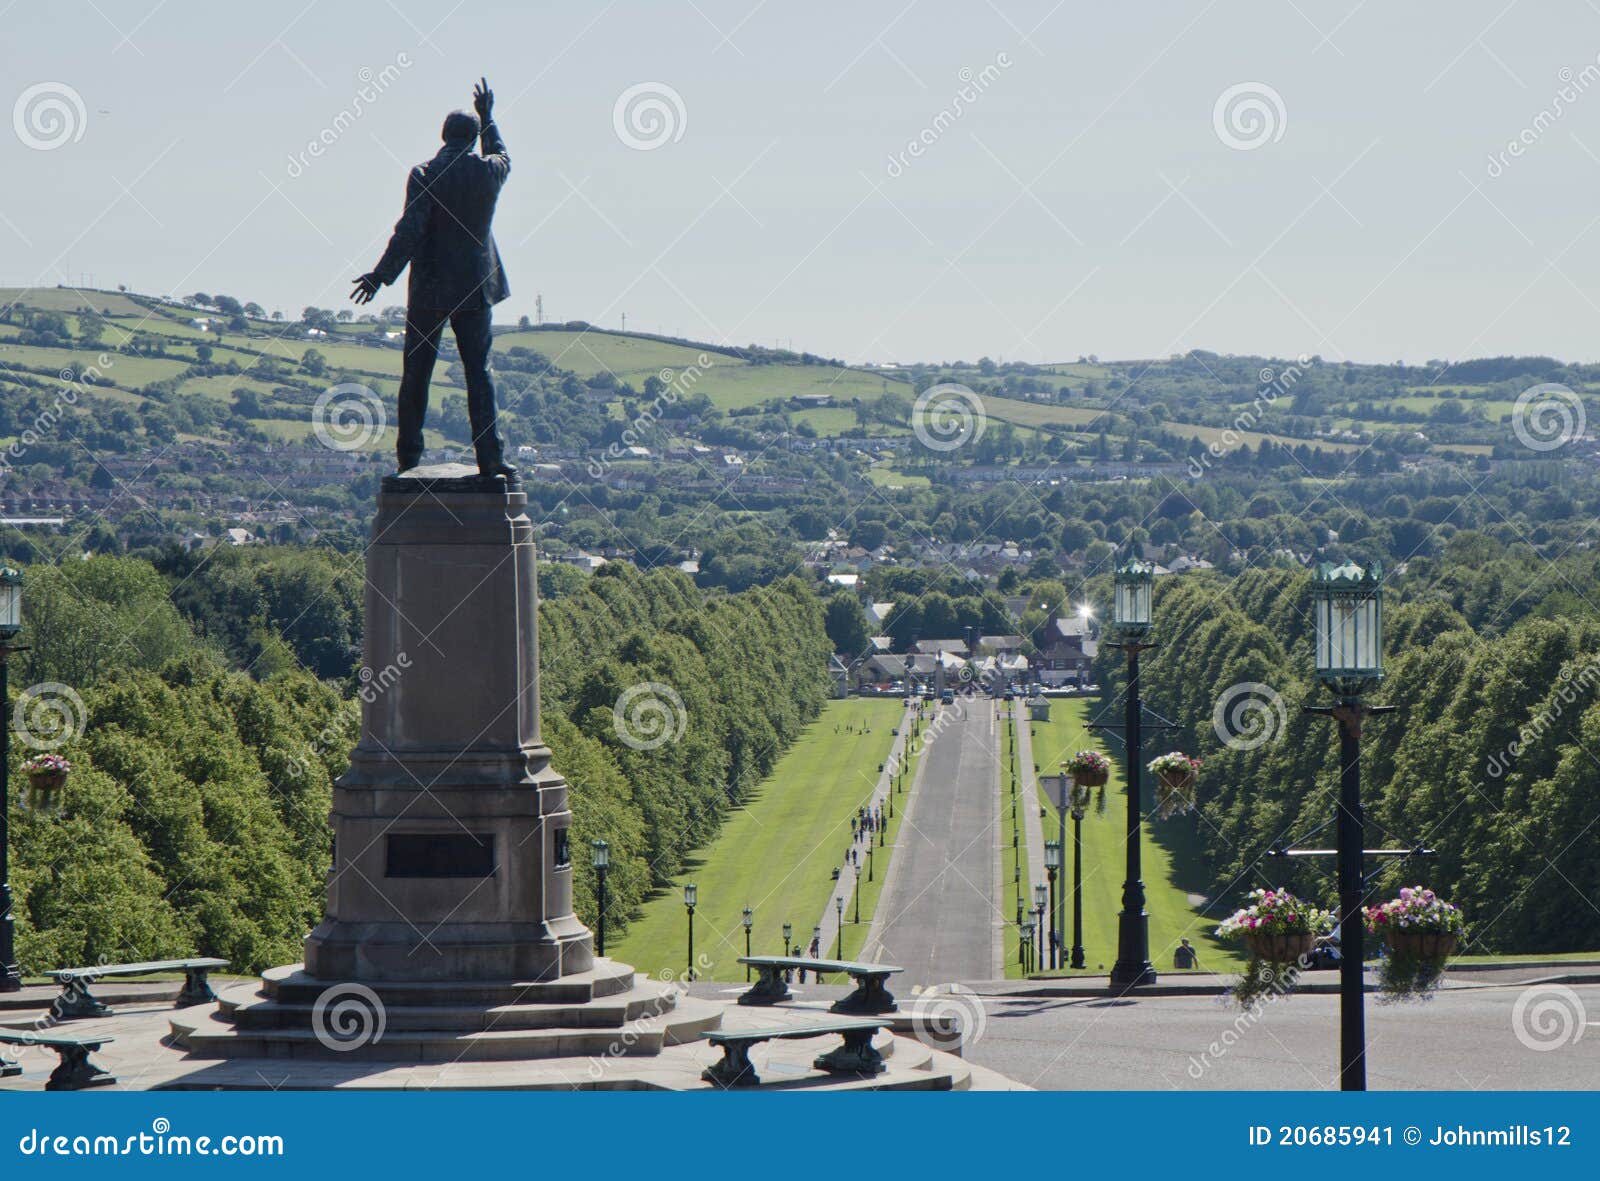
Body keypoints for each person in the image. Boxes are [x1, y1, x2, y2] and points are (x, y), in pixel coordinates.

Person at [351, 78, 516, 479]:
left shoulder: (425, 173)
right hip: (475, 288)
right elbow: (502, 154)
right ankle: (490, 459)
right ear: (473, 137)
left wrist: (381, 275)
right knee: (479, 372)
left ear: (443, 135)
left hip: (429, 290)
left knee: (417, 374)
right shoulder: (488, 172)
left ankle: (408, 459)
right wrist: (488, 117)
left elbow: (410, 229)